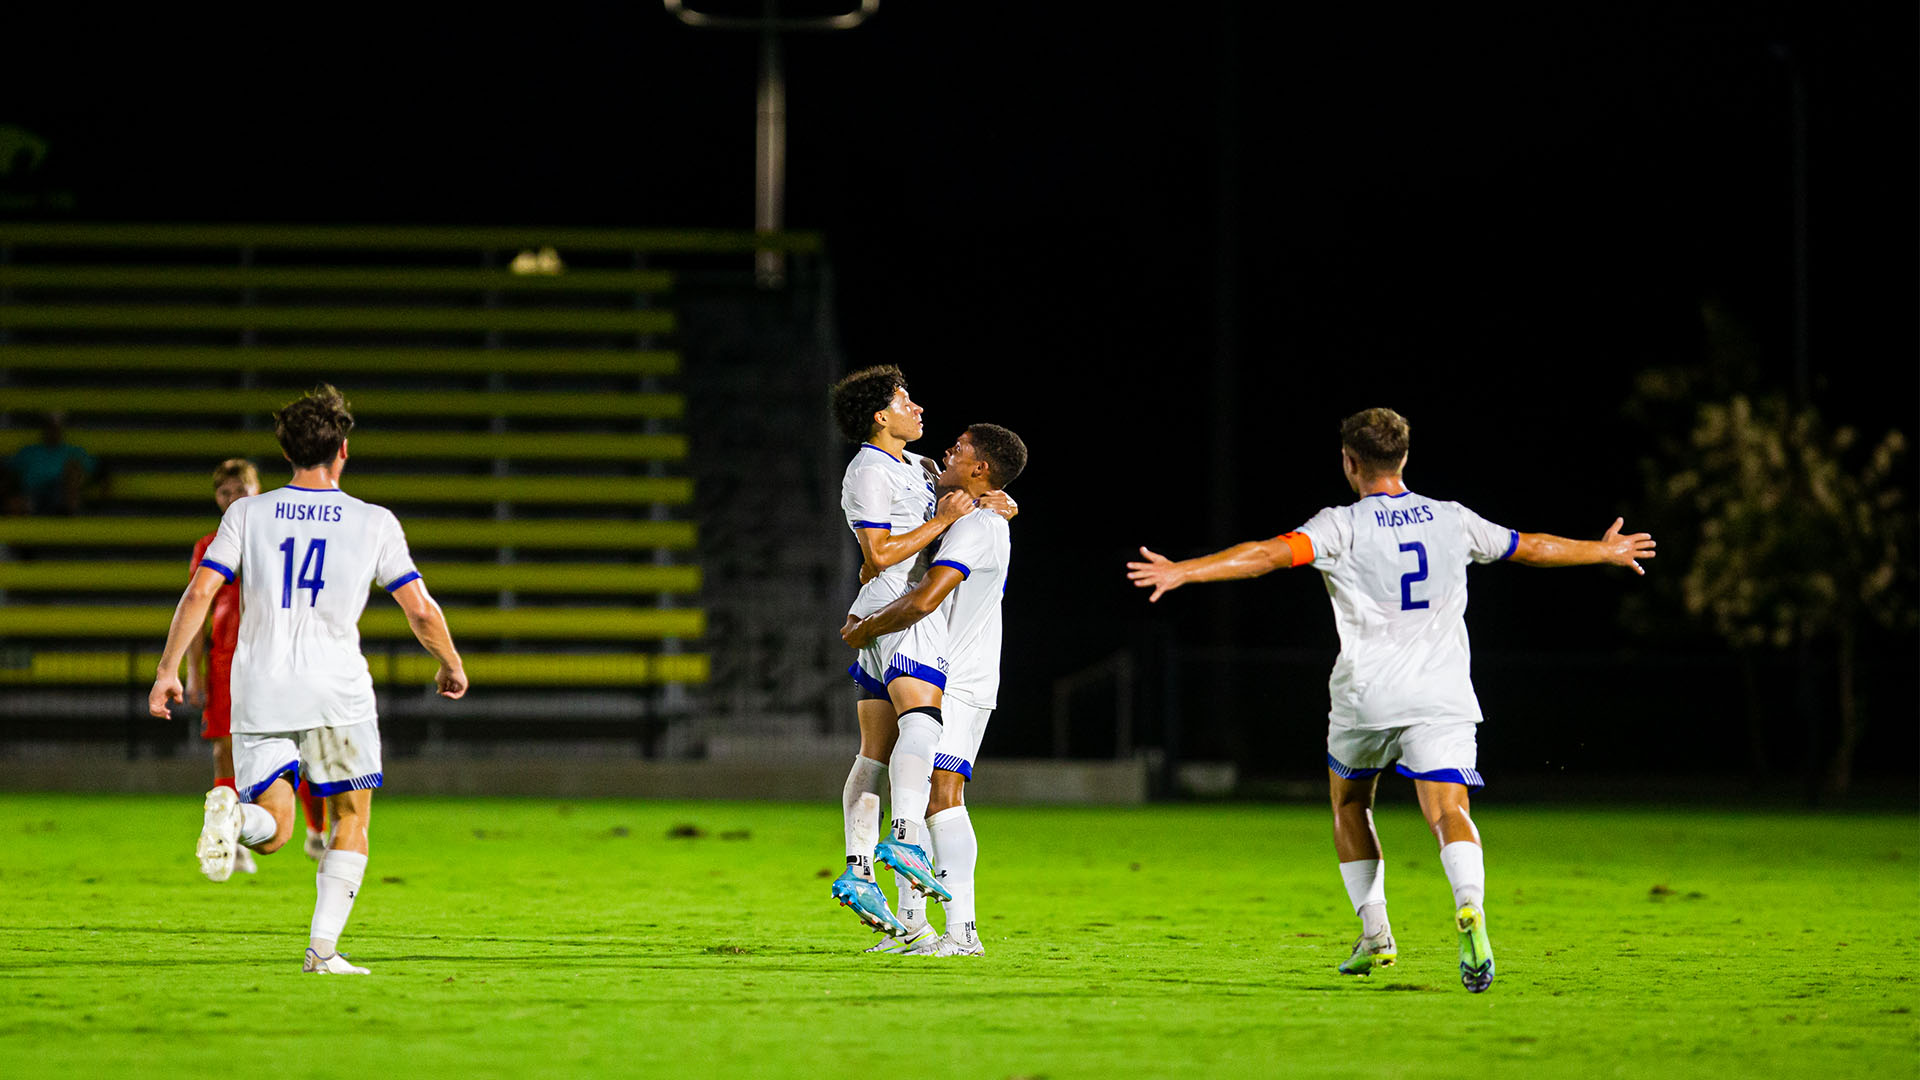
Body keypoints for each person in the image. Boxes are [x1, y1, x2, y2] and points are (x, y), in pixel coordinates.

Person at [1125, 407, 1655, 993]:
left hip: (1367, 696)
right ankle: (1470, 904)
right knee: (1448, 811)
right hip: (1442, 695)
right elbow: (1531, 547)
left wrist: (1185, 571)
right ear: (1404, 457)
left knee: (1350, 802)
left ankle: (1376, 932)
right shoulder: (1452, 519)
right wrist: (1601, 551)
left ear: (1349, 462)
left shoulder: (1341, 525)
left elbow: (1266, 555)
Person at [148, 385, 468, 974]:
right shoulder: (373, 521)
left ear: (285, 451)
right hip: (336, 692)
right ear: (342, 449)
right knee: (350, 817)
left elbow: (199, 593)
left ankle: (234, 817)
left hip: (259, 688)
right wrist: (450, 662)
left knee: (272, 831)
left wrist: (167, 670)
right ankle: (322, 951)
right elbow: (420, 610)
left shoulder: (247, 514)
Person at [842, 423, 1027, 957]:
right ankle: (913, 927)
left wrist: (867, 627)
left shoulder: (979, 525)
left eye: (961, 448)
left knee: (943, 796)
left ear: (980, 468)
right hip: (941, 664)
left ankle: (963, 932)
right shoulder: (959, 505)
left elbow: (925, 599)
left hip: (963, 676)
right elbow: (909, 465)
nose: (949, 449)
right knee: (919, 790)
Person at [186, 459, 330, 869]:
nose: (232, 499)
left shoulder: (282, 538)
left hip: (281, 661)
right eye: (224, 492)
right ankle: (235, 841)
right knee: (225, 750)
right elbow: (197, 609)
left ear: (258, 491)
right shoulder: (210, 545)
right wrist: (193, 672)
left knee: (304, 748)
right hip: (226, 663)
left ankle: (315, 830)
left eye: (240, 490)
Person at [5, 411, 96, 515]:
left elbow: (90, 473)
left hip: (60, 495)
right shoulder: (28, 451)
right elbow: (8, 471)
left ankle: (70, 515)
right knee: (15, 502)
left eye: (56, 428)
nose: (53, 432)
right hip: (32, 496)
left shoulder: (75, 452)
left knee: (73, 471)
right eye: (50, 427)